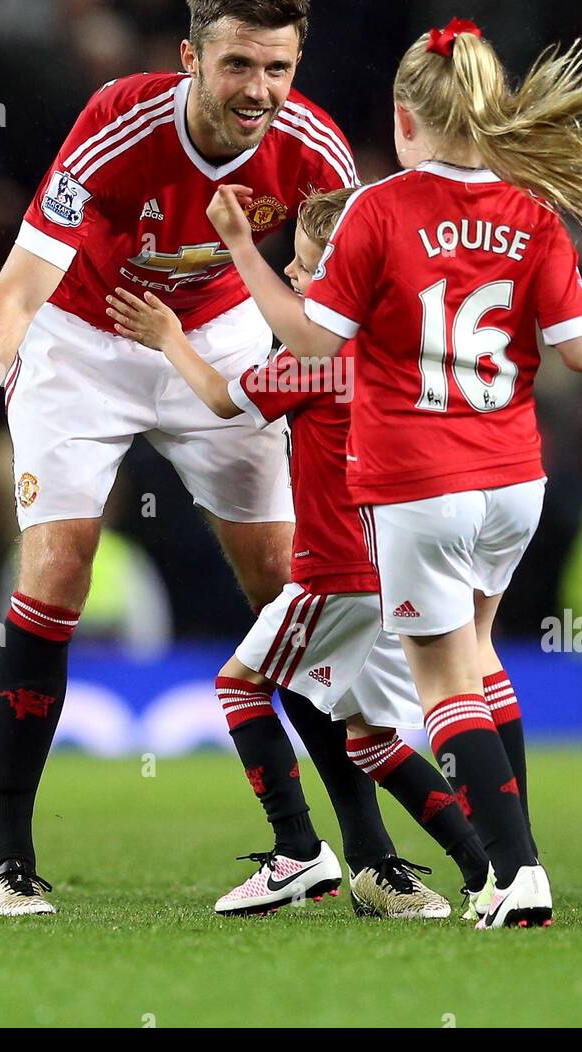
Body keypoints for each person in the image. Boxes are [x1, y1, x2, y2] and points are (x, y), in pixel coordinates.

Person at [0, 0, 400, 915]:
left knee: (295, 587)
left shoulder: (315, 151)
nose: (259, 91)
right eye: (236, 67)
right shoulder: (115, 126)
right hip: (83, 340)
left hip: (217, 334)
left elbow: (345, 312)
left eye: (278, 68)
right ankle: (6, 862)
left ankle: (367, 857)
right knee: (55, 570)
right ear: (190, 56)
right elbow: (18, 287)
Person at [202, 16, 582, 928]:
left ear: (402, 118)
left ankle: (514, 874)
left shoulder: (378, 209)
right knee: (482, 659)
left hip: (419, 480)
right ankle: (513, 857)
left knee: (441, 684)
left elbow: (309, 339)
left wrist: (246, 259)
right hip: (514, 481)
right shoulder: (532, 215)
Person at [107, 189, 494, 920]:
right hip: (398, 572)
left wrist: (168, 337)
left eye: (307, 265)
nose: (291, 271)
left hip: (336, 569)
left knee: (238, 686)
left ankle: (297, 853)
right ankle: (487, 872)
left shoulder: (319, 360)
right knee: (372, 741)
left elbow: (222, 400)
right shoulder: (401, 345)